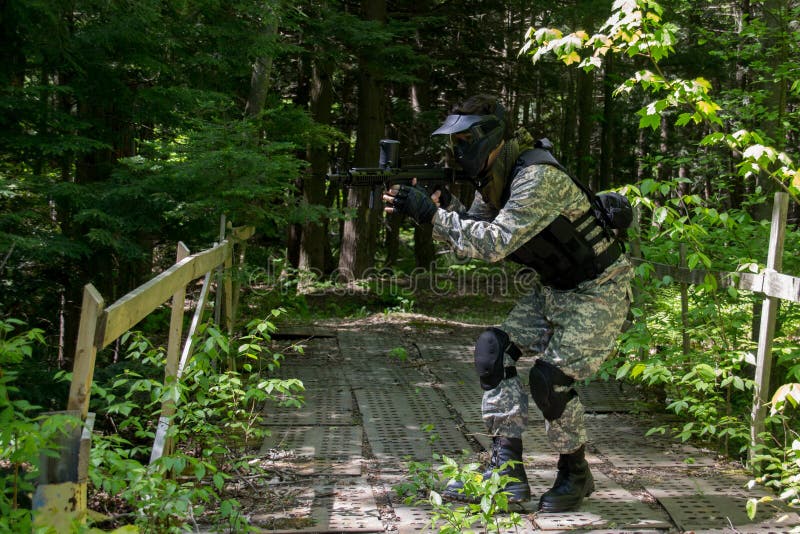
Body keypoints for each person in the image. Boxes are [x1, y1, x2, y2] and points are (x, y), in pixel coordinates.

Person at [383, 94, 633, 513]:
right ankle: (506, 477)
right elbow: (478, 235)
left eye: (464, 141)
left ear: (489, 137)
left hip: (599, 288)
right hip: (555, 288)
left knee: (548, 382)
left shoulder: (535, 176)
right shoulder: (495, 177)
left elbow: (496, 244)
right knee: (492, 350)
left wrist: (431, 216)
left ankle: (575, 472)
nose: (458, 152)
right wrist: (449, 209)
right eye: (453, 143)